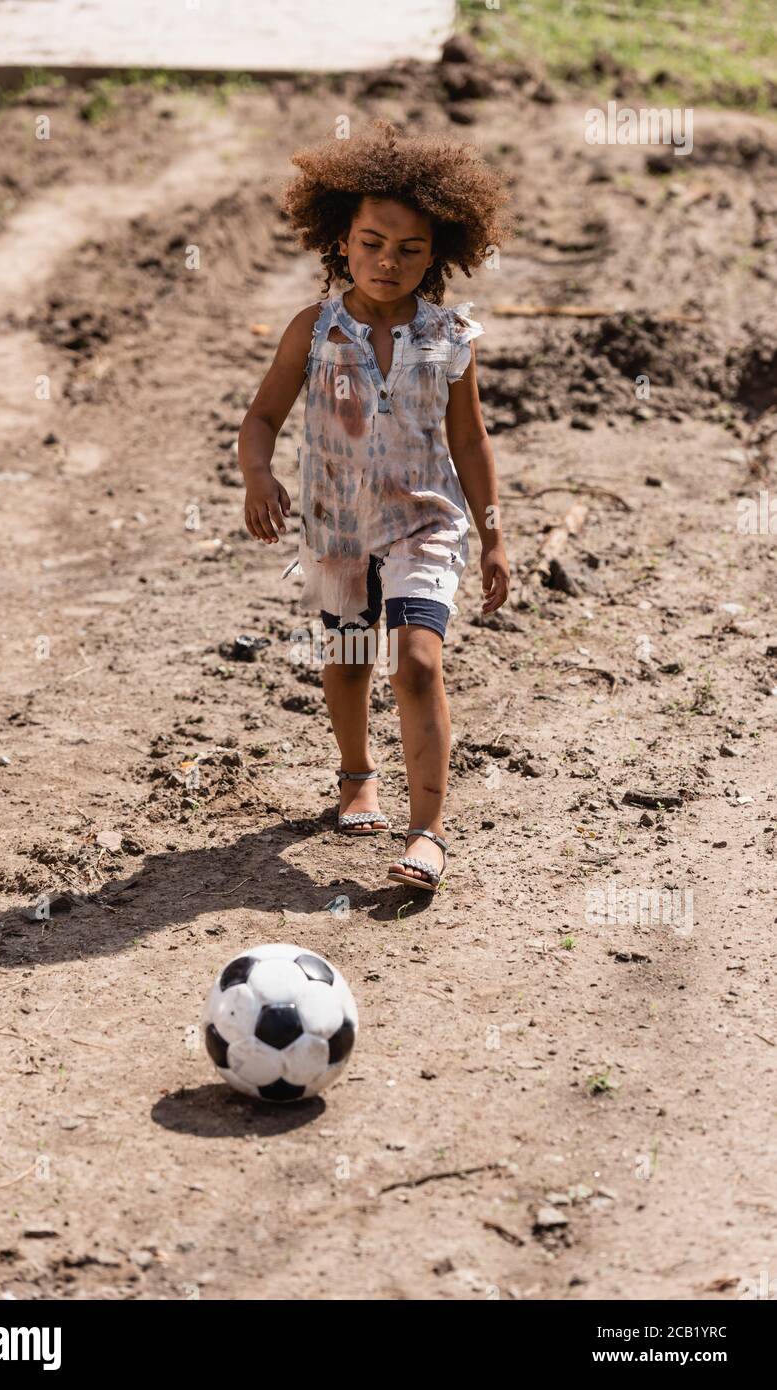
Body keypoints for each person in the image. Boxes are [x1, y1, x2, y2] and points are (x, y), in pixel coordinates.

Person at [238, 120, 511, 893]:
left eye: (409, 249)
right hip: (337, 526)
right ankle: (355, 773)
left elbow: (471, 441)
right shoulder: (314, 330)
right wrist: (258, 477)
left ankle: (428, 832)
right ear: (340, 242)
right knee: (350, 657)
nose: (387, 262)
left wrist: (492, 538)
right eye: (370, 243)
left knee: (418, 664)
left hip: (425, 521)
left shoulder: (449, 336)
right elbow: (260, 419)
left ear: (440, 251)